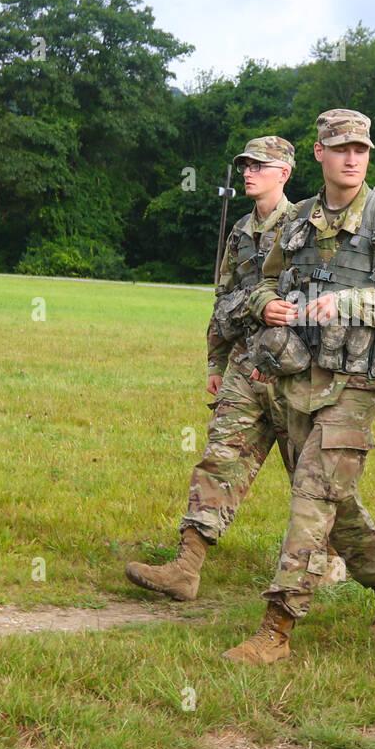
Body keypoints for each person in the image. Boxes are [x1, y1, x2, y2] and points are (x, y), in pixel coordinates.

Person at [222, 109, 375, 664]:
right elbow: (265, 277)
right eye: (340, 148)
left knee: (312, 492)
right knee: (335, 503)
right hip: (299, 376)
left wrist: (351, 300)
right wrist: (262, 302)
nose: (351, 158)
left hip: (359, 380)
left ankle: (278, 627)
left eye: (361, 150)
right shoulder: (295, 220)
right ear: (318, 153)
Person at [125, 136, 299, 602]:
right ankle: (186, 568)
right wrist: (216, 360)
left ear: (284, 173)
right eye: (245, 165)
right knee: (219, 461)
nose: (248, 172)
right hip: (245, 367)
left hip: (296, 376)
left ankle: (371, 577)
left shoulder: (305, 228)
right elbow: (224, 298)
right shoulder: (241, 231)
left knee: (315, 481)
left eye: (259, 166)